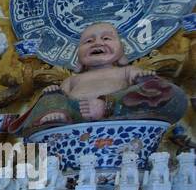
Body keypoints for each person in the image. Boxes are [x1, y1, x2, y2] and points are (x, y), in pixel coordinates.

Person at [10, 21, 189, 136]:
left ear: (122, 51)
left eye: (106, 38)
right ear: (77, 58)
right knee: (49, 97)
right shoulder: (73, 80)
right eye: (88, 41)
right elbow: (59, 98)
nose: (97, 43)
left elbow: (151, 88)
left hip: (118, 115)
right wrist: (52, 94)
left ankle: (106, 107)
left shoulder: (126, 71)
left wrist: (109, 103)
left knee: (162, 90)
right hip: (75, 114)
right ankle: (57, 118)